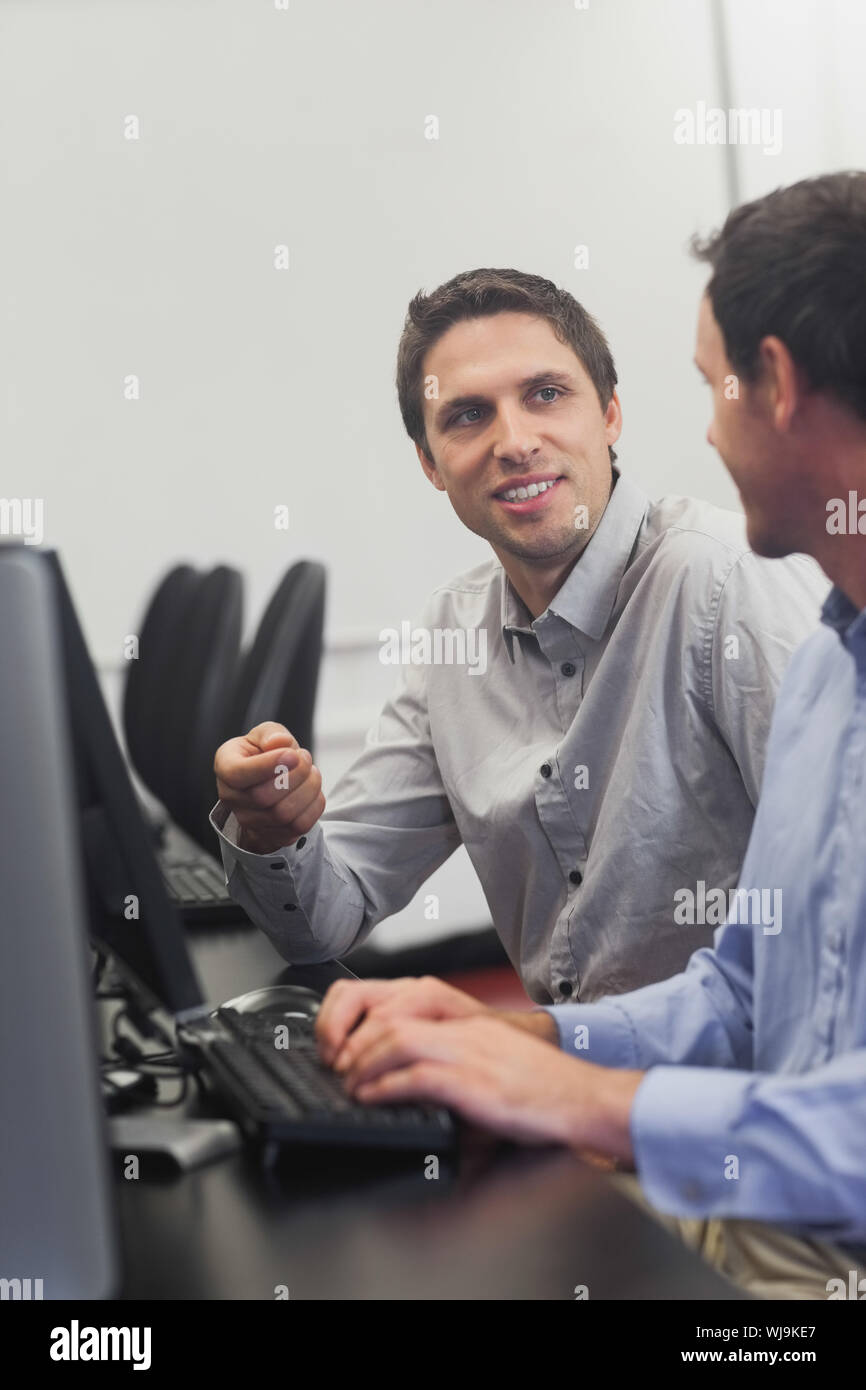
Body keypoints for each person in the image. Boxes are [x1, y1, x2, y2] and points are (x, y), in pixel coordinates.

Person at [310, 171, 866, 1300]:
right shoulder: (828, 666)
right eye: (466, 414)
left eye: (713, 389)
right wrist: (524, 1044)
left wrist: (592, 1104)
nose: (703, 435)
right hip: (762, 1209)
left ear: (777, 384)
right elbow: (741, 997)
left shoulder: (735, 601)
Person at [212, 269, 823, 1005]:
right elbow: (325, 921)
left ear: (609, 414)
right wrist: (276, 833)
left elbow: (840, 913)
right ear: (431, 464)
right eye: (468, 415)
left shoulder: (728, 582)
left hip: (736, 1093)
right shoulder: (454, 635)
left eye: (545, 394)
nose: (514, 441)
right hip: (568, 1084)